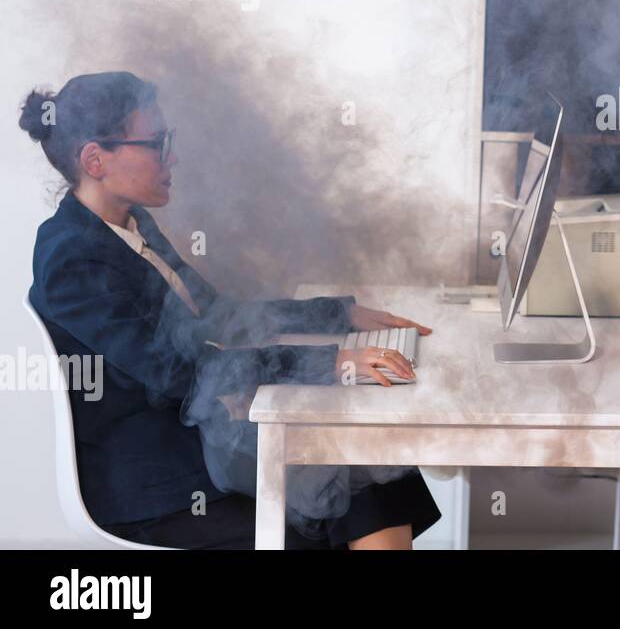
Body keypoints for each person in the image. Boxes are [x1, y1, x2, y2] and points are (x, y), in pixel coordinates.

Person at [18, 71, 441, 549]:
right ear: (95, 160)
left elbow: (218, 313)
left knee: (376, 467)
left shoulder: (133, 225)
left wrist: (337, 316)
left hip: (197, 445)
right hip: (157, 489)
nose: (172, 156)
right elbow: (182, 374)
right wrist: (330, 362)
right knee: (360, 487)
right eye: (157, 143)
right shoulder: (71, 259)